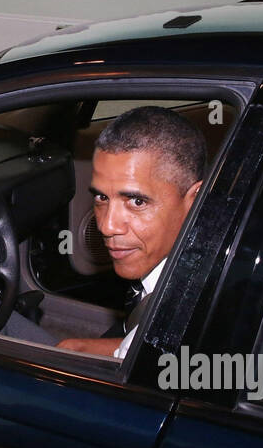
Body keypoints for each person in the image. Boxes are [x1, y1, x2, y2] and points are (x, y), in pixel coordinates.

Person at [56, 105, 205, 359]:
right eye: (102, 197)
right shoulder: (191, 266)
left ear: (196, 200)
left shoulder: (177, 326)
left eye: (137, 202)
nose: (106, 226)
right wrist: (74, 347)